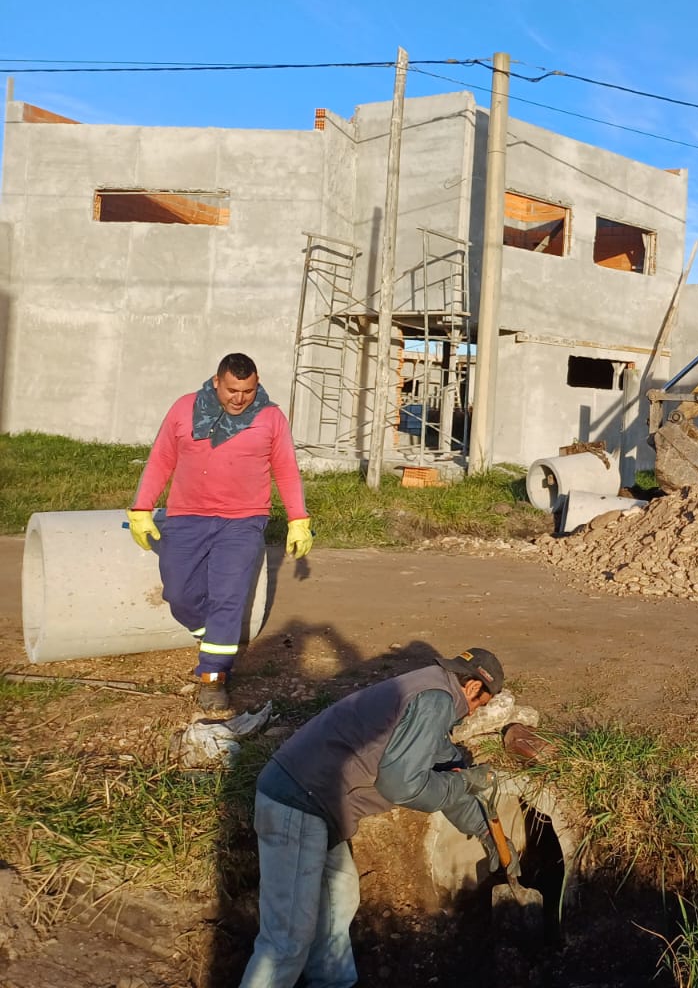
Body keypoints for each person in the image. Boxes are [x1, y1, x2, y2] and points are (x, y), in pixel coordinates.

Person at [239, 648, 508, 988]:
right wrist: (464, 782)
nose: (470, 715)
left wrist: (485, 830)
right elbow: (401, 786)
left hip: (318, 808)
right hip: (298, 801)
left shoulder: (430, 691)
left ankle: (335, 982)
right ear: (472, 688)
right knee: (288, 938)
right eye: (478, 705)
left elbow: (444, 769)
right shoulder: (436, 701)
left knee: (340, 899)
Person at [126, 353, 312, 716]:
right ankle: (211, 633)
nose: (239, 398)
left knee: (229, 597)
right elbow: (162, 458)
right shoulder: (184, 409)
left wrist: (298, 519)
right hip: (186, 517)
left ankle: (213, 676)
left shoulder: (270, 417)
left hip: (243, 522)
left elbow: (286, 470)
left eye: (248, 390)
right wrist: (142, 508)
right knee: (178, 592)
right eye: (232, 390)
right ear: (216, 382)